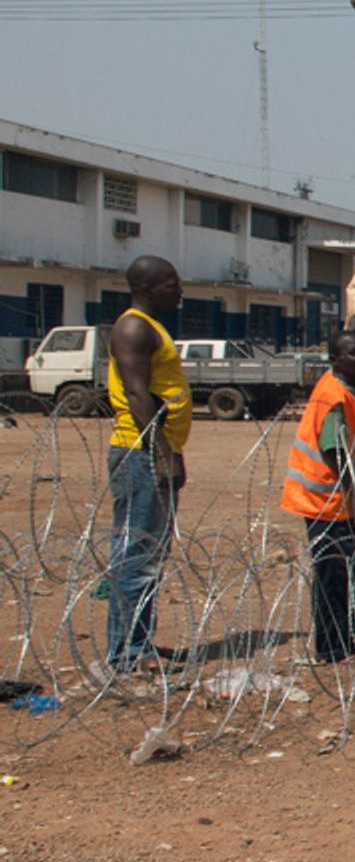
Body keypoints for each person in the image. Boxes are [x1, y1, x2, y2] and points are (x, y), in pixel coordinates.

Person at [104, 256, 191, 675]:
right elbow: (139, 395)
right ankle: (127, 653)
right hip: (139, 453)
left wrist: (174, 450)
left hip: (152, 451)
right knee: (136, 555)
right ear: (147, 287)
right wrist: (162, 452)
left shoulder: (152, 328)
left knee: (149, 555)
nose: (180, 290)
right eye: (171, 283)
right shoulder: (133, 327)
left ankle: (140, 643)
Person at [281, 331, 355, 665]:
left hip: (336, 502)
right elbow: (335, 450)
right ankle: (335, 648)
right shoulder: (335, 396)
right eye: (352, 353)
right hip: (327, 503)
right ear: (335, 360)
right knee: (335, 577)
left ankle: (343, 643)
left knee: (345, 575)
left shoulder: (344, 391)